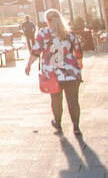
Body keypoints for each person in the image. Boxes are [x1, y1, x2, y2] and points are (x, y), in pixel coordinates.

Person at [25, 9, 84, 138]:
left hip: (52, 74)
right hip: (71, 73)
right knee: (73, 101)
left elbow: (35, 52)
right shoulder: (70, 34)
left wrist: (28, 65)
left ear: (47, 21)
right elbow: (78, 53)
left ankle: (58, 123)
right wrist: (79, 65)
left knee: (56, 100)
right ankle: (76, 127)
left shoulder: (43, 33)